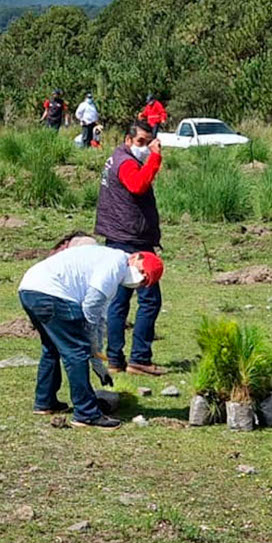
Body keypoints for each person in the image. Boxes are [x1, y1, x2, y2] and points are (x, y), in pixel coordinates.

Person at [18, 243, 164, 429]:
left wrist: (98, 364)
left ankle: (45, 401)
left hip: (29, 288)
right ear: (136, 257)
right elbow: (91, 307)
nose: (139, 279)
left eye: (144, 281)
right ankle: (86, 414)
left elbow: (100, 320)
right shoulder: (116, 264)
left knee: (52, 347)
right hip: (51, 292)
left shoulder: (111, 267)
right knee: (76, 352)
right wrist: (90, 347)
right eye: (142, 272)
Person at [95, 120, 166, 376]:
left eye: (148, 143)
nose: (144, 147)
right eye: (140, 142)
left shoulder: (117, 158)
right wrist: (155, 158)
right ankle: (140, 359)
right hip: (131, 239)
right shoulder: (126, 163)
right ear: (128, 140)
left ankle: (115, 359)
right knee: (149, 300)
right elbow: (138, 185)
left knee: (119, 301)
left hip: (118, 235)